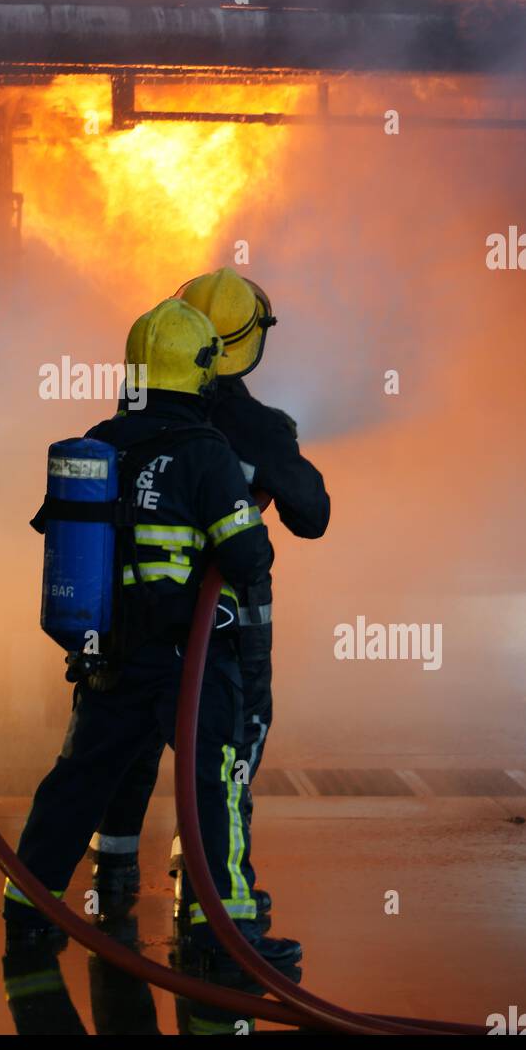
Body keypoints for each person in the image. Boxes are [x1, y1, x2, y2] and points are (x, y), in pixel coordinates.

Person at [2, 297, 302, 977]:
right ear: (201, 371)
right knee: (213, 786)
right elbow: (250, 558)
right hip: (188, 664)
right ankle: (219, 934)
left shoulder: (101, 442)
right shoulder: (205, 453)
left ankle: (27, 912)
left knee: (77, 781)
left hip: (109, 656)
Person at [89, 270, 330, 929]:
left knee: (125, 737)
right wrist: (281, 458)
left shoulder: (135, 410)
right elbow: (312, 515)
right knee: (228, 743)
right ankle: (213, 896)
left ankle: (110, 876)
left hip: (132, 612)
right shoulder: (257, 426)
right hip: (226, 627)